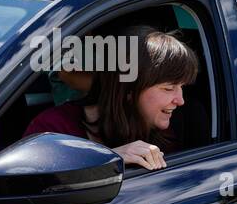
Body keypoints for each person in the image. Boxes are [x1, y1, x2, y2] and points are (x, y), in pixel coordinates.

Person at [24, 28, 198, 170]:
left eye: (181, 87)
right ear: (128, 89)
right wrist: (109, 159)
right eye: (168, 88)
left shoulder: (165, 128)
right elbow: (30, 192)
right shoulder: (53, 130)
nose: (180, 100)